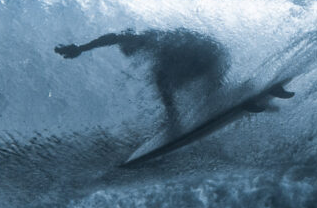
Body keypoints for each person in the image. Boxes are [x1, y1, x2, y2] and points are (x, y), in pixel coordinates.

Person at [55, 28, 231, 138]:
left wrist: (81, 48)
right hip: (214, 55)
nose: (125, 51)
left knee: (161, 77)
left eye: (125, 48)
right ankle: (217, 101)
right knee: (168, 77)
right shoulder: (156, 41)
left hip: (209, 55)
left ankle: (174, 122)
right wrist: (81, 48)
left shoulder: (143, 38)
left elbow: (111, 38)